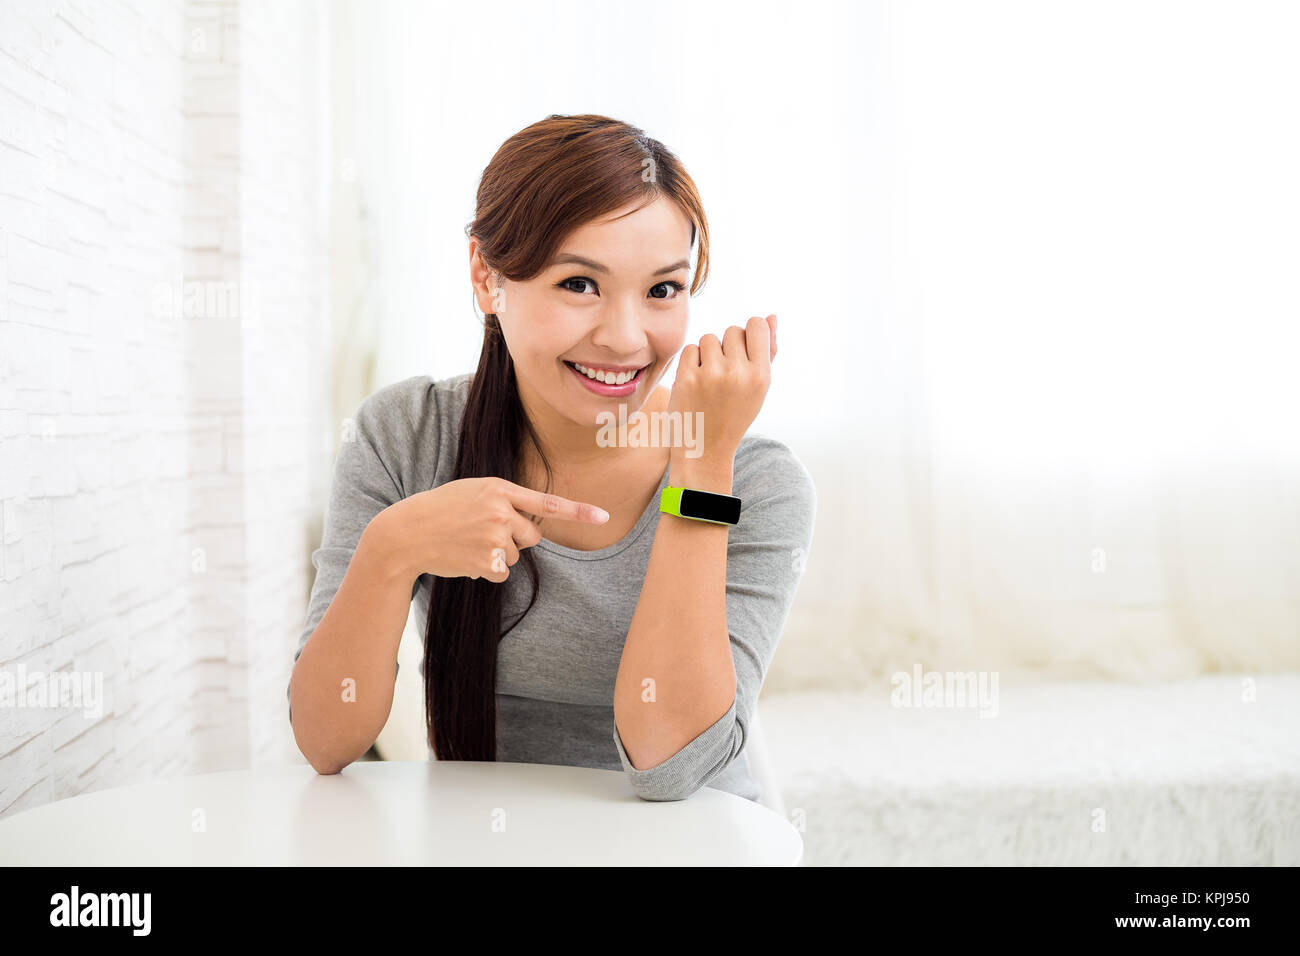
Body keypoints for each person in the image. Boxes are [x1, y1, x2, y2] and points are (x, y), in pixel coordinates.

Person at [288, 114, 816, 803]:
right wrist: (392, 549)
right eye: (579, 284)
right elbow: (326, 742)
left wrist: (698, 463)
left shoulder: (755, 479)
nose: (626, 339)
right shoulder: (403, 436)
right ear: (486, 276)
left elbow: (669, 767)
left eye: (663, 290)